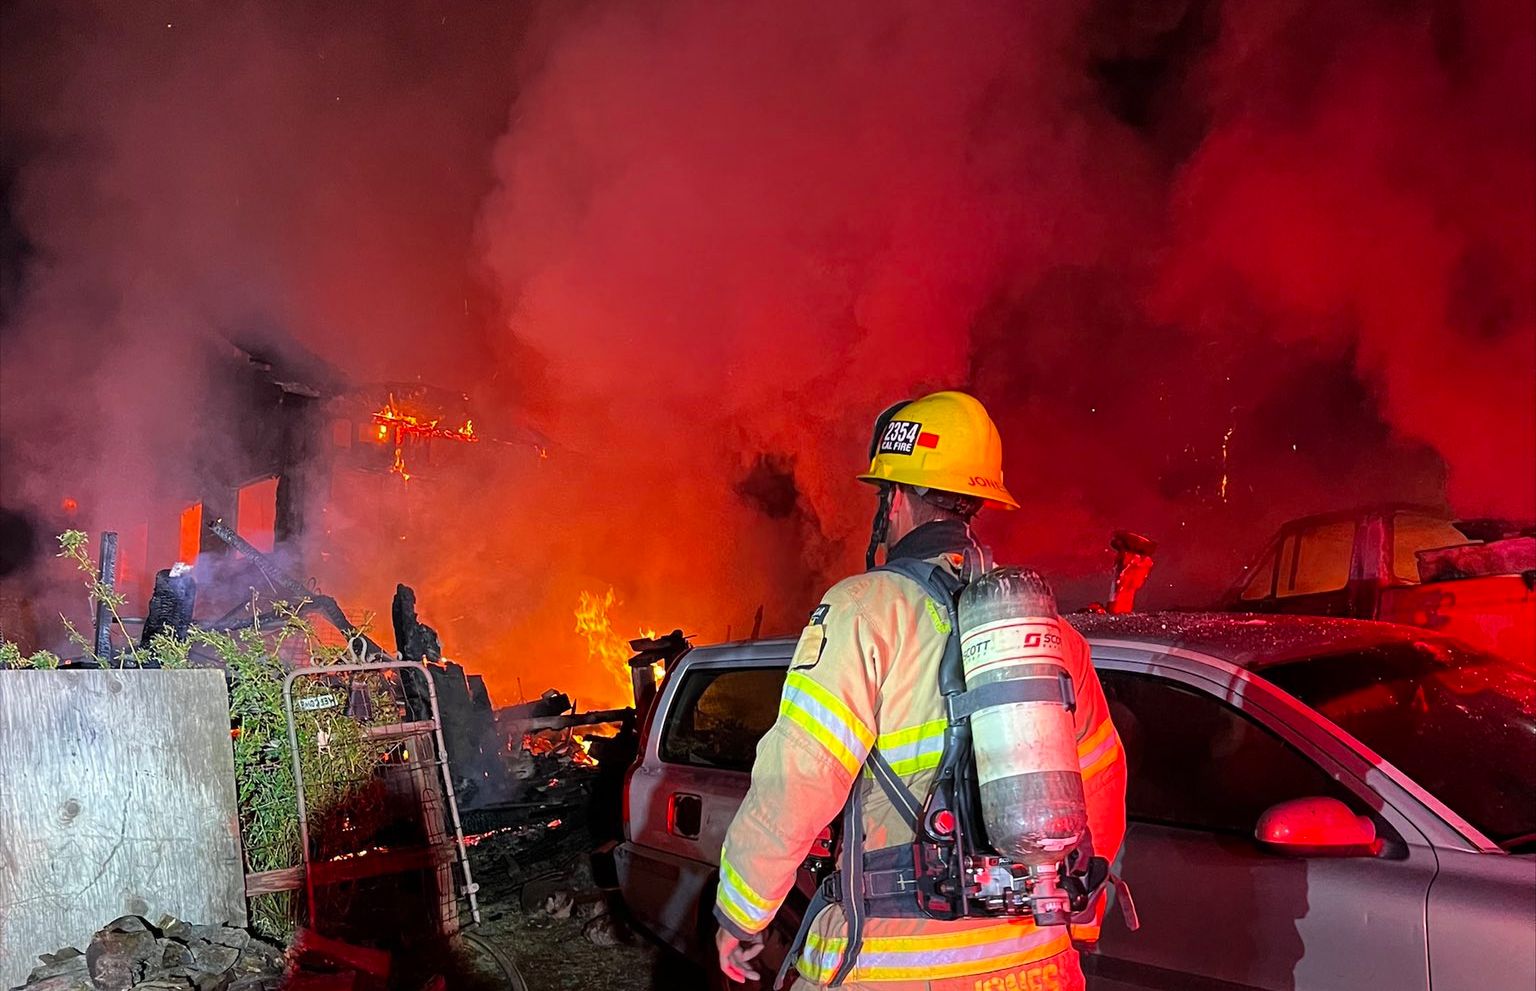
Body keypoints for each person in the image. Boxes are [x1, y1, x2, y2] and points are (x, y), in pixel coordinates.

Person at [714, 391, 1128, 991]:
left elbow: (798, 778)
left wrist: (742, 911)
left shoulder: (864, 610)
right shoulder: (1051, 632)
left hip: (895, 963)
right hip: (1038, 960)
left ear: (896, 498)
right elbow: (1102, 776)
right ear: (977, 503)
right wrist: (1082, 919)